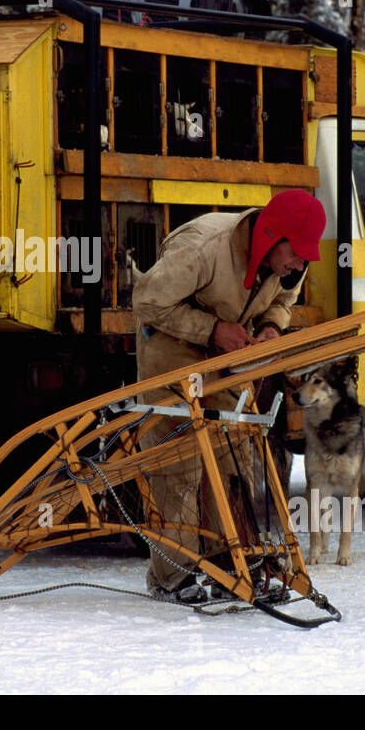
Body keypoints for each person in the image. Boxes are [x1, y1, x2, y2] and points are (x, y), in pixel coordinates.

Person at [131, 189, 326, 602]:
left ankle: (231, 565)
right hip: (171, 356)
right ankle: (174, 577)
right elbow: (147, 299)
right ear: (271, 236)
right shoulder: (204, 248)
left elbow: (284, 302)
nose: (300, 264)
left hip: (226, 359)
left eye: (306, 256)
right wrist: (213, 330)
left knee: (234, 457)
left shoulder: (290, 263)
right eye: (296, 253)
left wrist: (272, 327)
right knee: (177, 464)